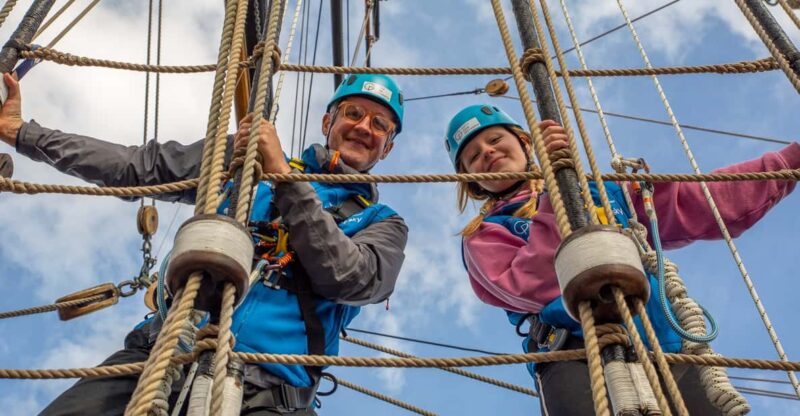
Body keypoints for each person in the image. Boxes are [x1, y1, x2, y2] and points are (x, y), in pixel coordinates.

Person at [0, 72, 409, 415]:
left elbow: (349, 278)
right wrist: (22, 133)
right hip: (162, 352)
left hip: (272, 393)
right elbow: (136, 168)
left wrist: (283, 176)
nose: (362, 128)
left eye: (379, 125)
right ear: (328, 122)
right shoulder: (248, 162)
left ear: (389, 147)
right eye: (353, 113)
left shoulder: (383, 223)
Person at [443, 103, 799, 415]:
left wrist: (788, 162)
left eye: (494, 140)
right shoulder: (485, 235)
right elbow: (535, 282)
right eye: (472, 156)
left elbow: (700, 201)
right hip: (576, 354)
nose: (486, 153)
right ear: (472, 181)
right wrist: (555, 195)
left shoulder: (600, 191)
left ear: (524, 141)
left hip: (665, 343)